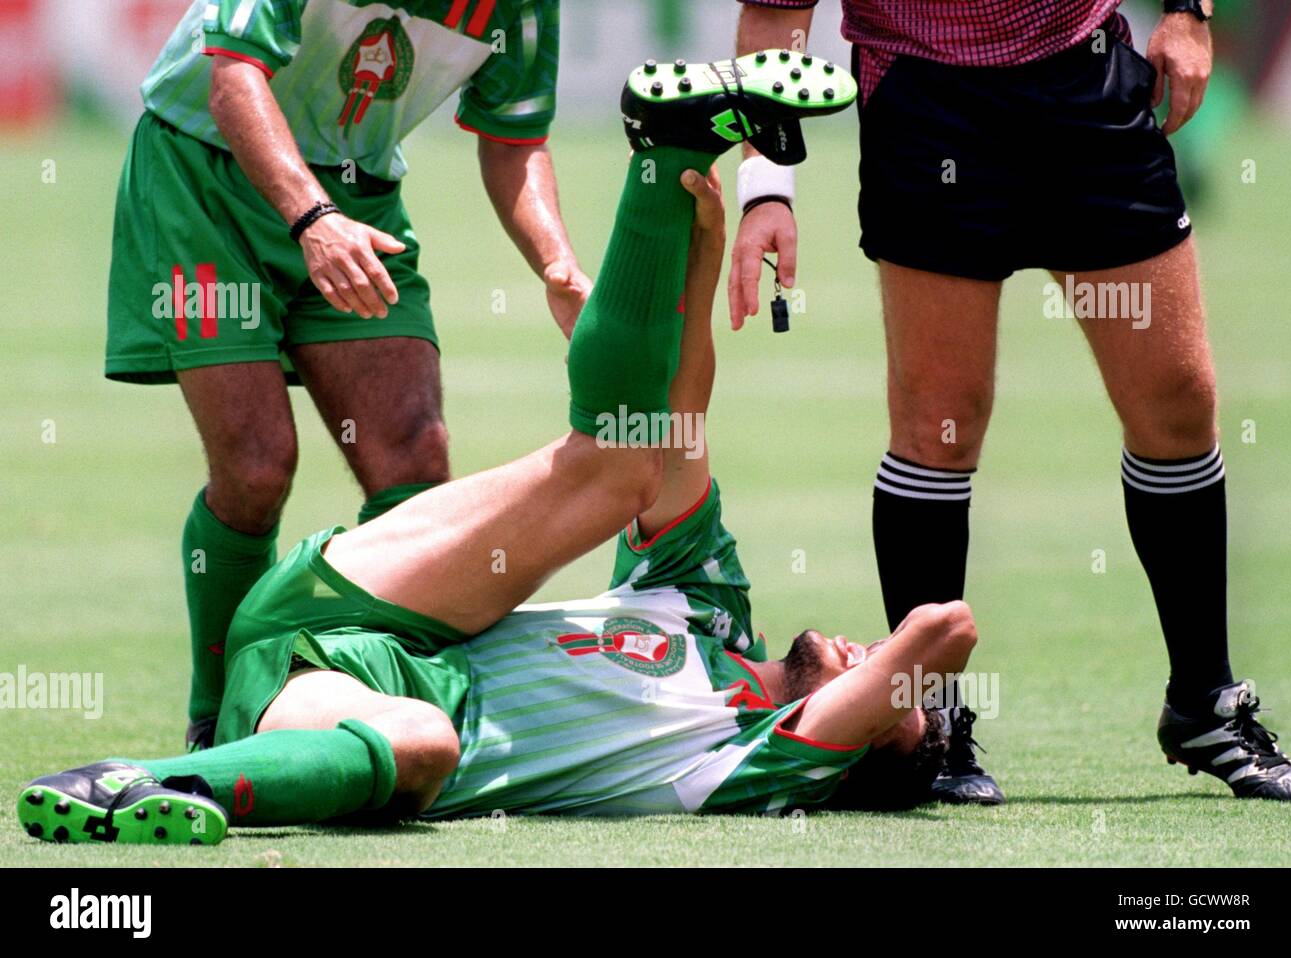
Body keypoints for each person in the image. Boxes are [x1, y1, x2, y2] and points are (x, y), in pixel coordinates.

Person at [17, 51, 971, 846]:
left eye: (889, 704)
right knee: (625, 457)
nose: (869, 655)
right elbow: (679, 421)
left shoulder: (748, 767)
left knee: (427, 742)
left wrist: (918, 700)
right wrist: (696, 229)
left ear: (851, 742)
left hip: (327, 701)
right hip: (365, 607)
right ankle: (666, 152)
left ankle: (146, 782)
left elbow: (945, 631)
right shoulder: (711, 612)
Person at [729, 0, 1291, 803]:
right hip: (928, 100)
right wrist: (766, 188)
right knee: (938, 424)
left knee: (1177, 400)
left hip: (1082, 75)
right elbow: (772, 16)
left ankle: (1204, 702)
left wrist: (1188, 12)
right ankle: (934, 719)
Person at [105, 0, 590, 751]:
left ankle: (390, 694)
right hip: (199, 176)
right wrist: (312, 220)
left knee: (415, 462)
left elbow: (514, 138)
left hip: (357, 192)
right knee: (258, 466)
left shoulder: (524, 7)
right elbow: (232, 78)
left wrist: (556, 262)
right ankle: (220, 721)